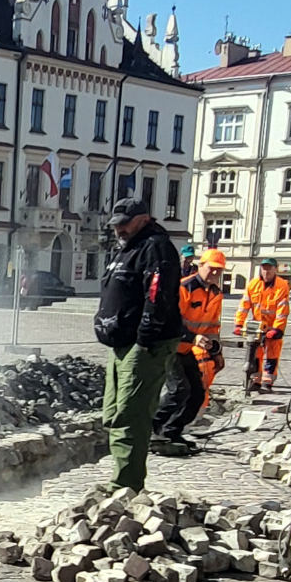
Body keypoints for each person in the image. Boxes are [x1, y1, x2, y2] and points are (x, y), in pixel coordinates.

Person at [93, 197, 187, 490]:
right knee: (113, 412)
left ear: (143, 219)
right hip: (121, 343)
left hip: (144, 344)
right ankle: (122, 477)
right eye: (116, 224)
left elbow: (157, 296)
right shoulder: (128, 248)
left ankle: (126, 485)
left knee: (130, 414)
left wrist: (145, 339)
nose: (119, 229)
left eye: (124, 223)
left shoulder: (155, 248)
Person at [154, 248, 226, 447]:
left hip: (187, 349)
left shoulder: (216, 294)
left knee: (197, 394)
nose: (215, 273)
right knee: (179, 389)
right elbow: (171, 322)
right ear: (201, 266)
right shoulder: (185, 288)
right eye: (211, 268)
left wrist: (216, 351)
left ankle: (172, 431)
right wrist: (193, 337)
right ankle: (154, 428)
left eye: (219, 271)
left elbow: (212, 326)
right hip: (171, 347)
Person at [234, 257, 291, 392]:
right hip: (257, 325)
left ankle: (267, 382)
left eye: (269, 268)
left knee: (272, 355)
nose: (266, 271)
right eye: (264, 268)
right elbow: (244, 306)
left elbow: (282, 310)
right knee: (255, 354)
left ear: (275, 269)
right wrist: (239, 323)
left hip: (273, 326)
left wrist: (277, 329)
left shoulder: (282, 285)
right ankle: (255, 381)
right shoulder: (253, 285)